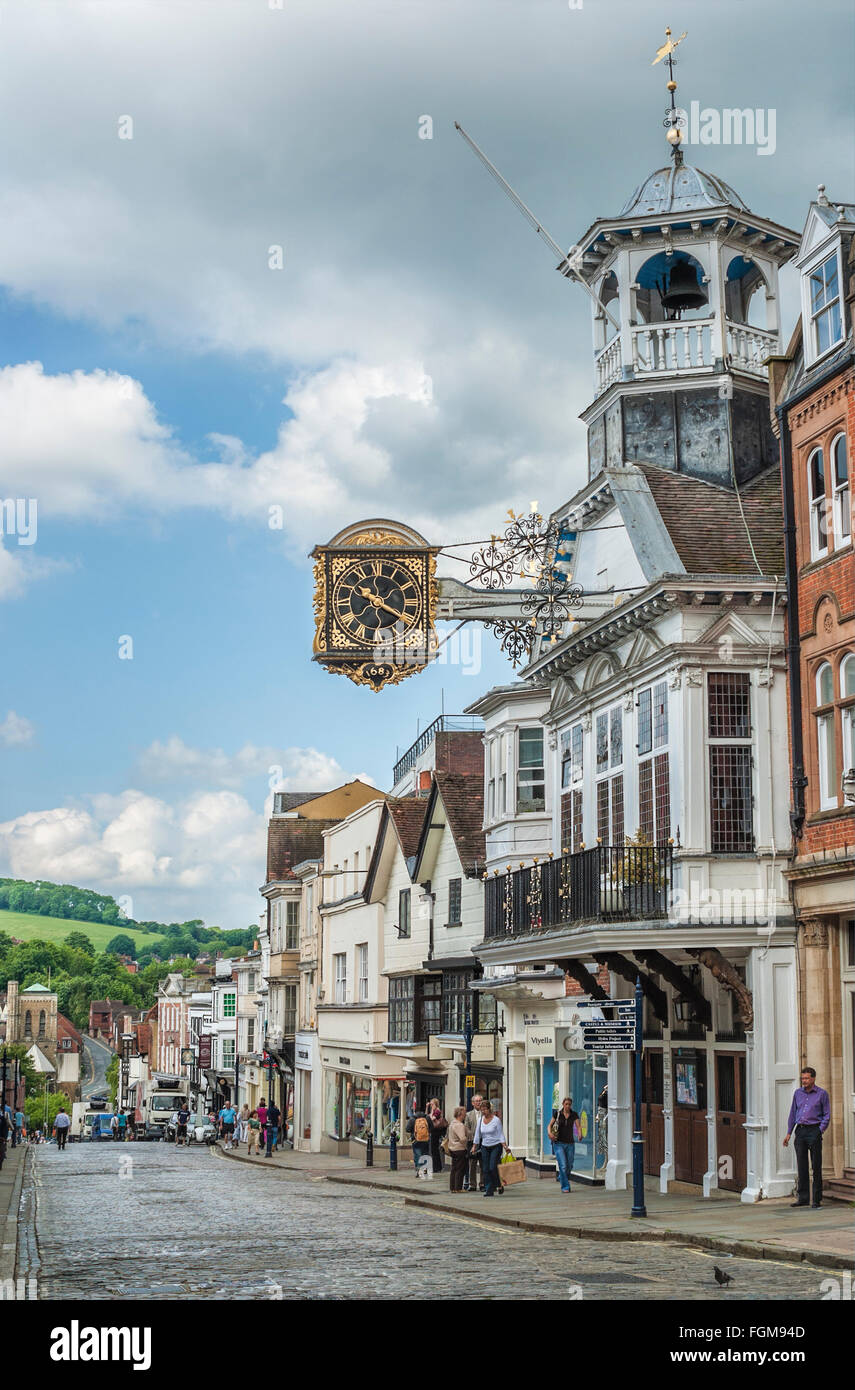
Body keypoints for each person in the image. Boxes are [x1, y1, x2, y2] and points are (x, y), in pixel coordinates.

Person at [783, 1066, 830, 1209]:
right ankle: (803, 1198)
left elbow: (826, 1115)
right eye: (802, 1078)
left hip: (814, 1131)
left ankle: (816, 1199)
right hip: (800, 1132)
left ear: (813, 1078)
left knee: (816, 1166)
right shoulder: (798, 1093)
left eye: (807, 1078)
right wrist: (789, 1133)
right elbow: (793, 1113)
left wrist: (820, 1130)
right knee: (801, 1166)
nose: (804, 1081)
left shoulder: (822, 1094)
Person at [473, 1100, 508, 1197]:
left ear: (489, 1109)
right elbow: (477, 1134)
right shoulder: (480, 1120)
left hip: (496, 1146)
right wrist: (474, 1146)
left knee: (493, 1167)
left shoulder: (496, 1120)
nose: (483, 1112)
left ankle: (499, 1184)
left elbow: (500, 1134)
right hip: (485, 1146)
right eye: (482, 1110)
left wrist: (505, 1146)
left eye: (485, 1109)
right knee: (485, 1169)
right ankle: (489, 1190)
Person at [549, 1096, 580, 1194]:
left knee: (569, 1165)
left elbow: (578, 1126)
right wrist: (550, 1133)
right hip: (559, 1143)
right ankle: (565, 1186)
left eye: (569, 1104)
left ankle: (562, 1177)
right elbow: (549, 1125)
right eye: (566, 1104)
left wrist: (580, 1134)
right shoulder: (557, 1114)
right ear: (563, 1104)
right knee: (563, 1165)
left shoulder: (574, 1114)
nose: (567, 1106)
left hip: (570, 1143)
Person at [463, 1094, 484, 1191]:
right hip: (472, 1142)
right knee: (472, 1164)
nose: (479, 1102)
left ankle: (483, 1183)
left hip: (484, 1142)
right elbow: (466, 1128)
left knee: (483, 1164)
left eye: (480, 1100)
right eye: (477, 1101)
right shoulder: (468, 1115)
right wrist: (474, 1136)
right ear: (472, 1103)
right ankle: (472, 1184)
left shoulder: (486, 1114)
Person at [406, 1104, 432, 1173]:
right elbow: (432, 1127)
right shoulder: (427, 1117)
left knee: (417, 1154)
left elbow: (407, 1129)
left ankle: (419, 1169)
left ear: (415, 1110)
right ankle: (425, 1168)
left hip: (416, 1139)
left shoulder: (413, 1119)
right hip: (426, 1139)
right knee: (425, 1153)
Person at [448, 1106, 468, 1192]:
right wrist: (466, 1141)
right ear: (460, 1114)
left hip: (452, 1149)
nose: (465, 1115)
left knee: (454, 1169)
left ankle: (453, 1188)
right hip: (459, 1149)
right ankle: (458, 1188)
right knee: (460, 1169)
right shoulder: (459, 1125)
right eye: (464, 1113)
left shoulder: (452, 1124)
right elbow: (462, 1138)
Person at [427, 1097, 447, 1174]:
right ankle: (436, 1167)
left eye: (432, 1104)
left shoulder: (437, 1111)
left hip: (436, 1132)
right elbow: (427, 1116)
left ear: (435, 1104)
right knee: (433, 1150)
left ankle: (437, 1167)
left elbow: (431, 1118)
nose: (431, 1106)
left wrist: (432, 1111)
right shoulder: (434, 1110)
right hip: (434, 1131)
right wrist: (427, 1107)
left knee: (434, 1149)